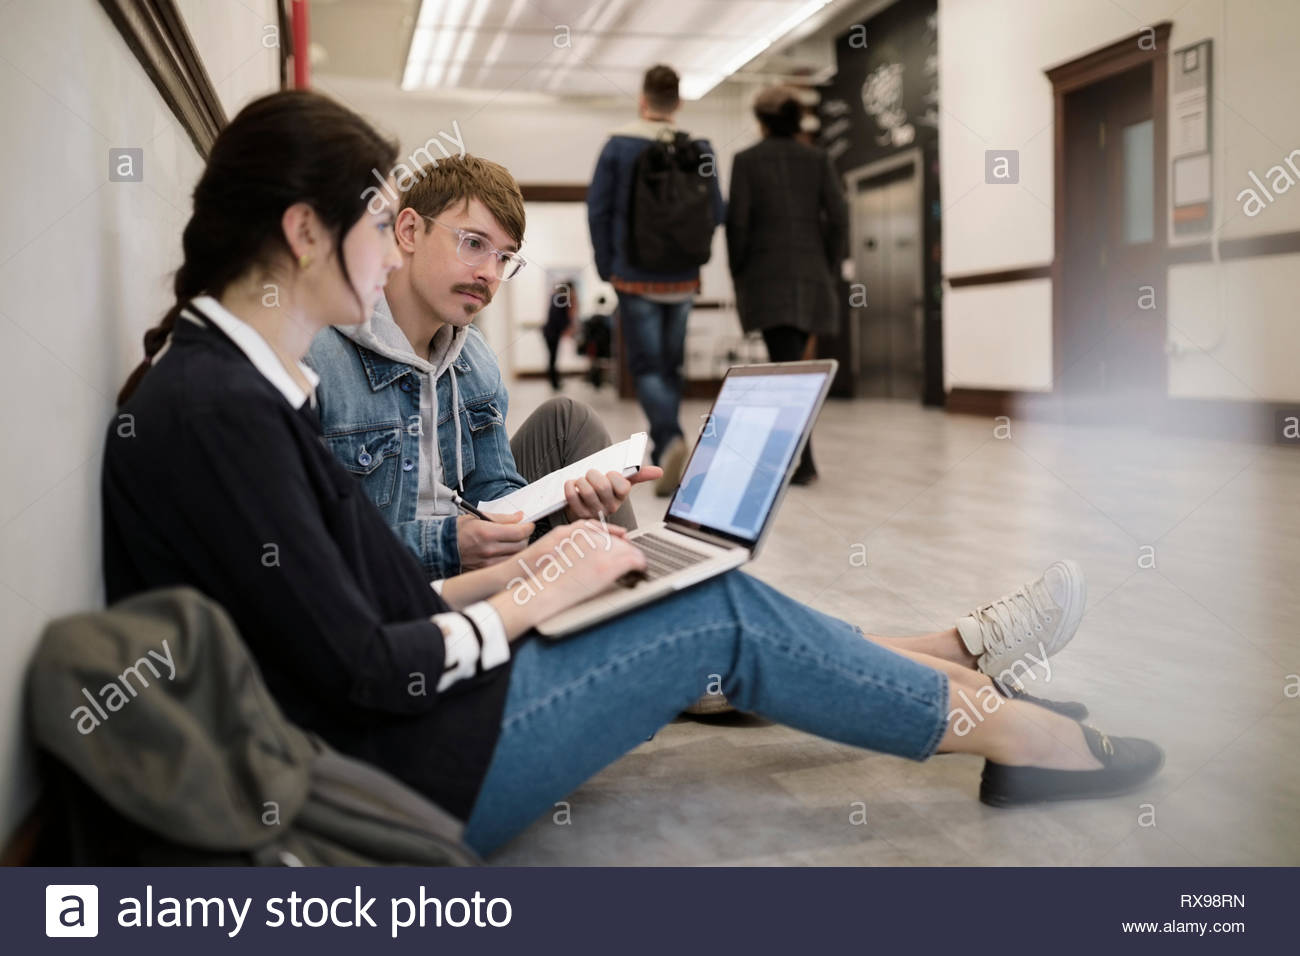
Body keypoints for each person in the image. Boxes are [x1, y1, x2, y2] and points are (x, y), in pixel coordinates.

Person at [104, 90, 1163, 860]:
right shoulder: (222, 410)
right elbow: (377, 669)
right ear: (304, 232)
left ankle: (974, 691)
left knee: (690, 586)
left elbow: (373, 598)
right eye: (383, 225)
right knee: (716, 617)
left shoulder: (230, 387)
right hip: (402, 771)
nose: (388, 253)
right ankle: (1015, 726)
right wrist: (534, 594)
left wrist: (546, 565)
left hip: (401, 726)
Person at [306, 155, 660, 579]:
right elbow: (309, 545)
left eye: (504, 257)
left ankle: (633, 590)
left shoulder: (473, 356)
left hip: (470, 558)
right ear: (409, 231)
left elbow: (493, 487)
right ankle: (624, 602)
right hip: (391, 590)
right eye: (473, 243)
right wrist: (448, 545)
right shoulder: (317, 356)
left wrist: (568, 502)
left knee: (569, 420)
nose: (489, 273)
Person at [587, 64, 725, 496]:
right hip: (683, 278)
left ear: (643, 100)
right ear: (678, 103)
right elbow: (716, 211)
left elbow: (599, 211)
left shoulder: (618, 146)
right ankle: (669, 441)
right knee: (671, 364)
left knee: (646, 367)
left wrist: (607, 266)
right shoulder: (699, 148)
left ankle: (669, 440)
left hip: (633, 275)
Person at [726, 85, 848, 486]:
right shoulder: (818, 160)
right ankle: (800, 459)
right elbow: (839, 219)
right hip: (811, 280)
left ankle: (801, 461)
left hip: (766, 282)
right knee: (791, 367)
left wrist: (739, 272)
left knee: (788, 370)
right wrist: (825, 267)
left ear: (761, 122)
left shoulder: (747, 161)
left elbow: (737, 225)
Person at [543, 280, 575, 391]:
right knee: (553, 358)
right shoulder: (561, 299)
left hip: (550, 331)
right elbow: (560, 318)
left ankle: (555, 382)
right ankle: (554, 383)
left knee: (553, 358)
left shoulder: (557, 297)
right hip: (552, 332)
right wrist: (566, 328)